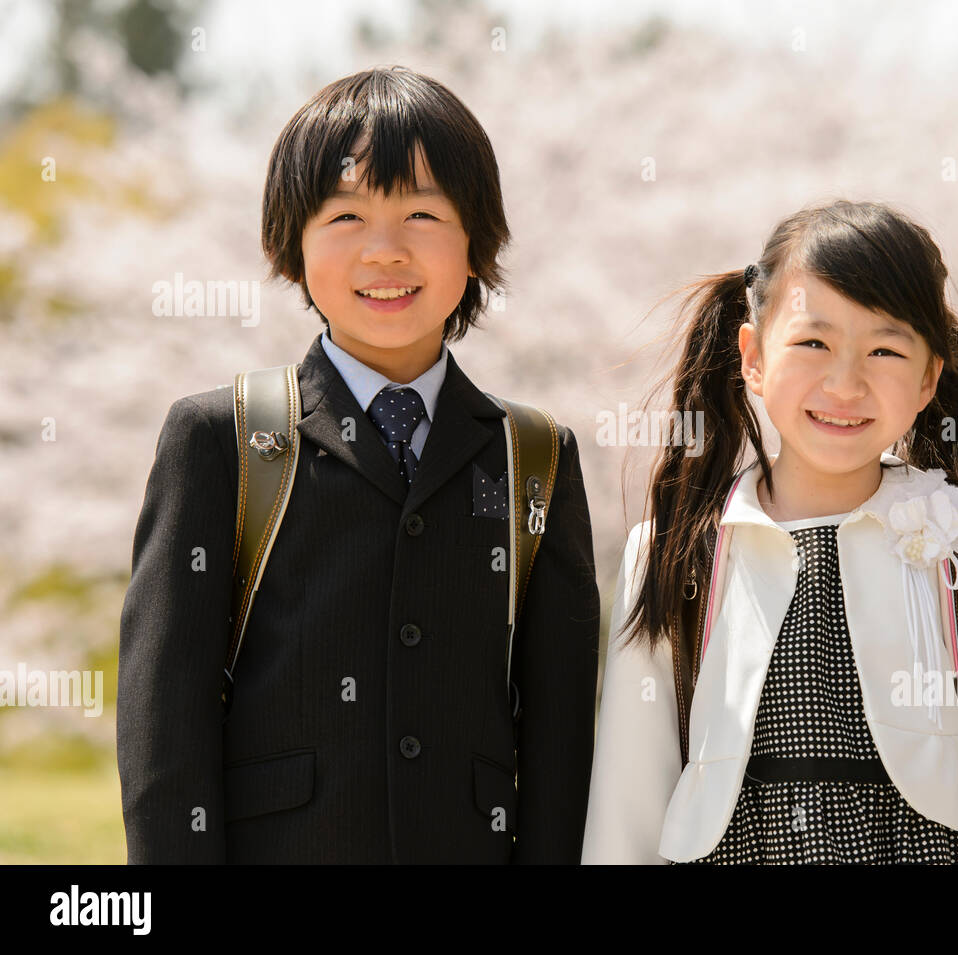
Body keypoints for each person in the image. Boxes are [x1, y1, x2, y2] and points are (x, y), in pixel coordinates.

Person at [117, 67, 600, 863]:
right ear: (291, 243)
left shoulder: (536, 455)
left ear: (475, 243)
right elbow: (163, 723)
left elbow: (559, 736)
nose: (385, 250)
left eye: (421, 212)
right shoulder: (222, 439)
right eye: (345, 215)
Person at [582, 200, 958, 864]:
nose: (845, 382)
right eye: (813, 342)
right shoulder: (676, 553)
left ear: (928, 377)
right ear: (751, 356)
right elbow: (626, 809)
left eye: (885, 349)